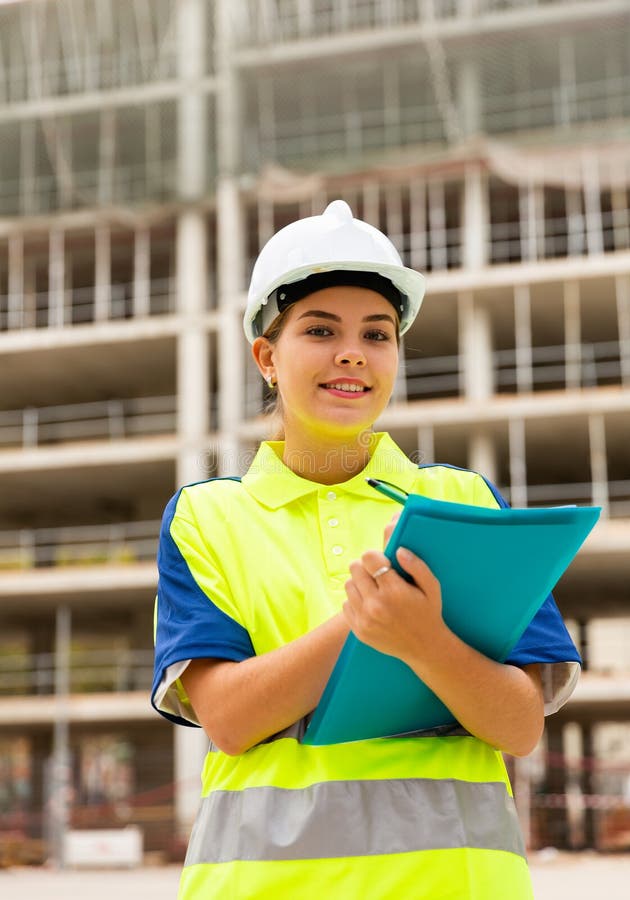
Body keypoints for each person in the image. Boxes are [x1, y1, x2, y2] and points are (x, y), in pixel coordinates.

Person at [152, 200, 581, 898]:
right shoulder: (209, 515)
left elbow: (520, 725)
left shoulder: (463, 501)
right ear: (266, 356)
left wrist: (423, 641)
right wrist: (366, 620)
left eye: (377, 334)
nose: (352, 352)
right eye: (320, 330)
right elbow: (227, 719)